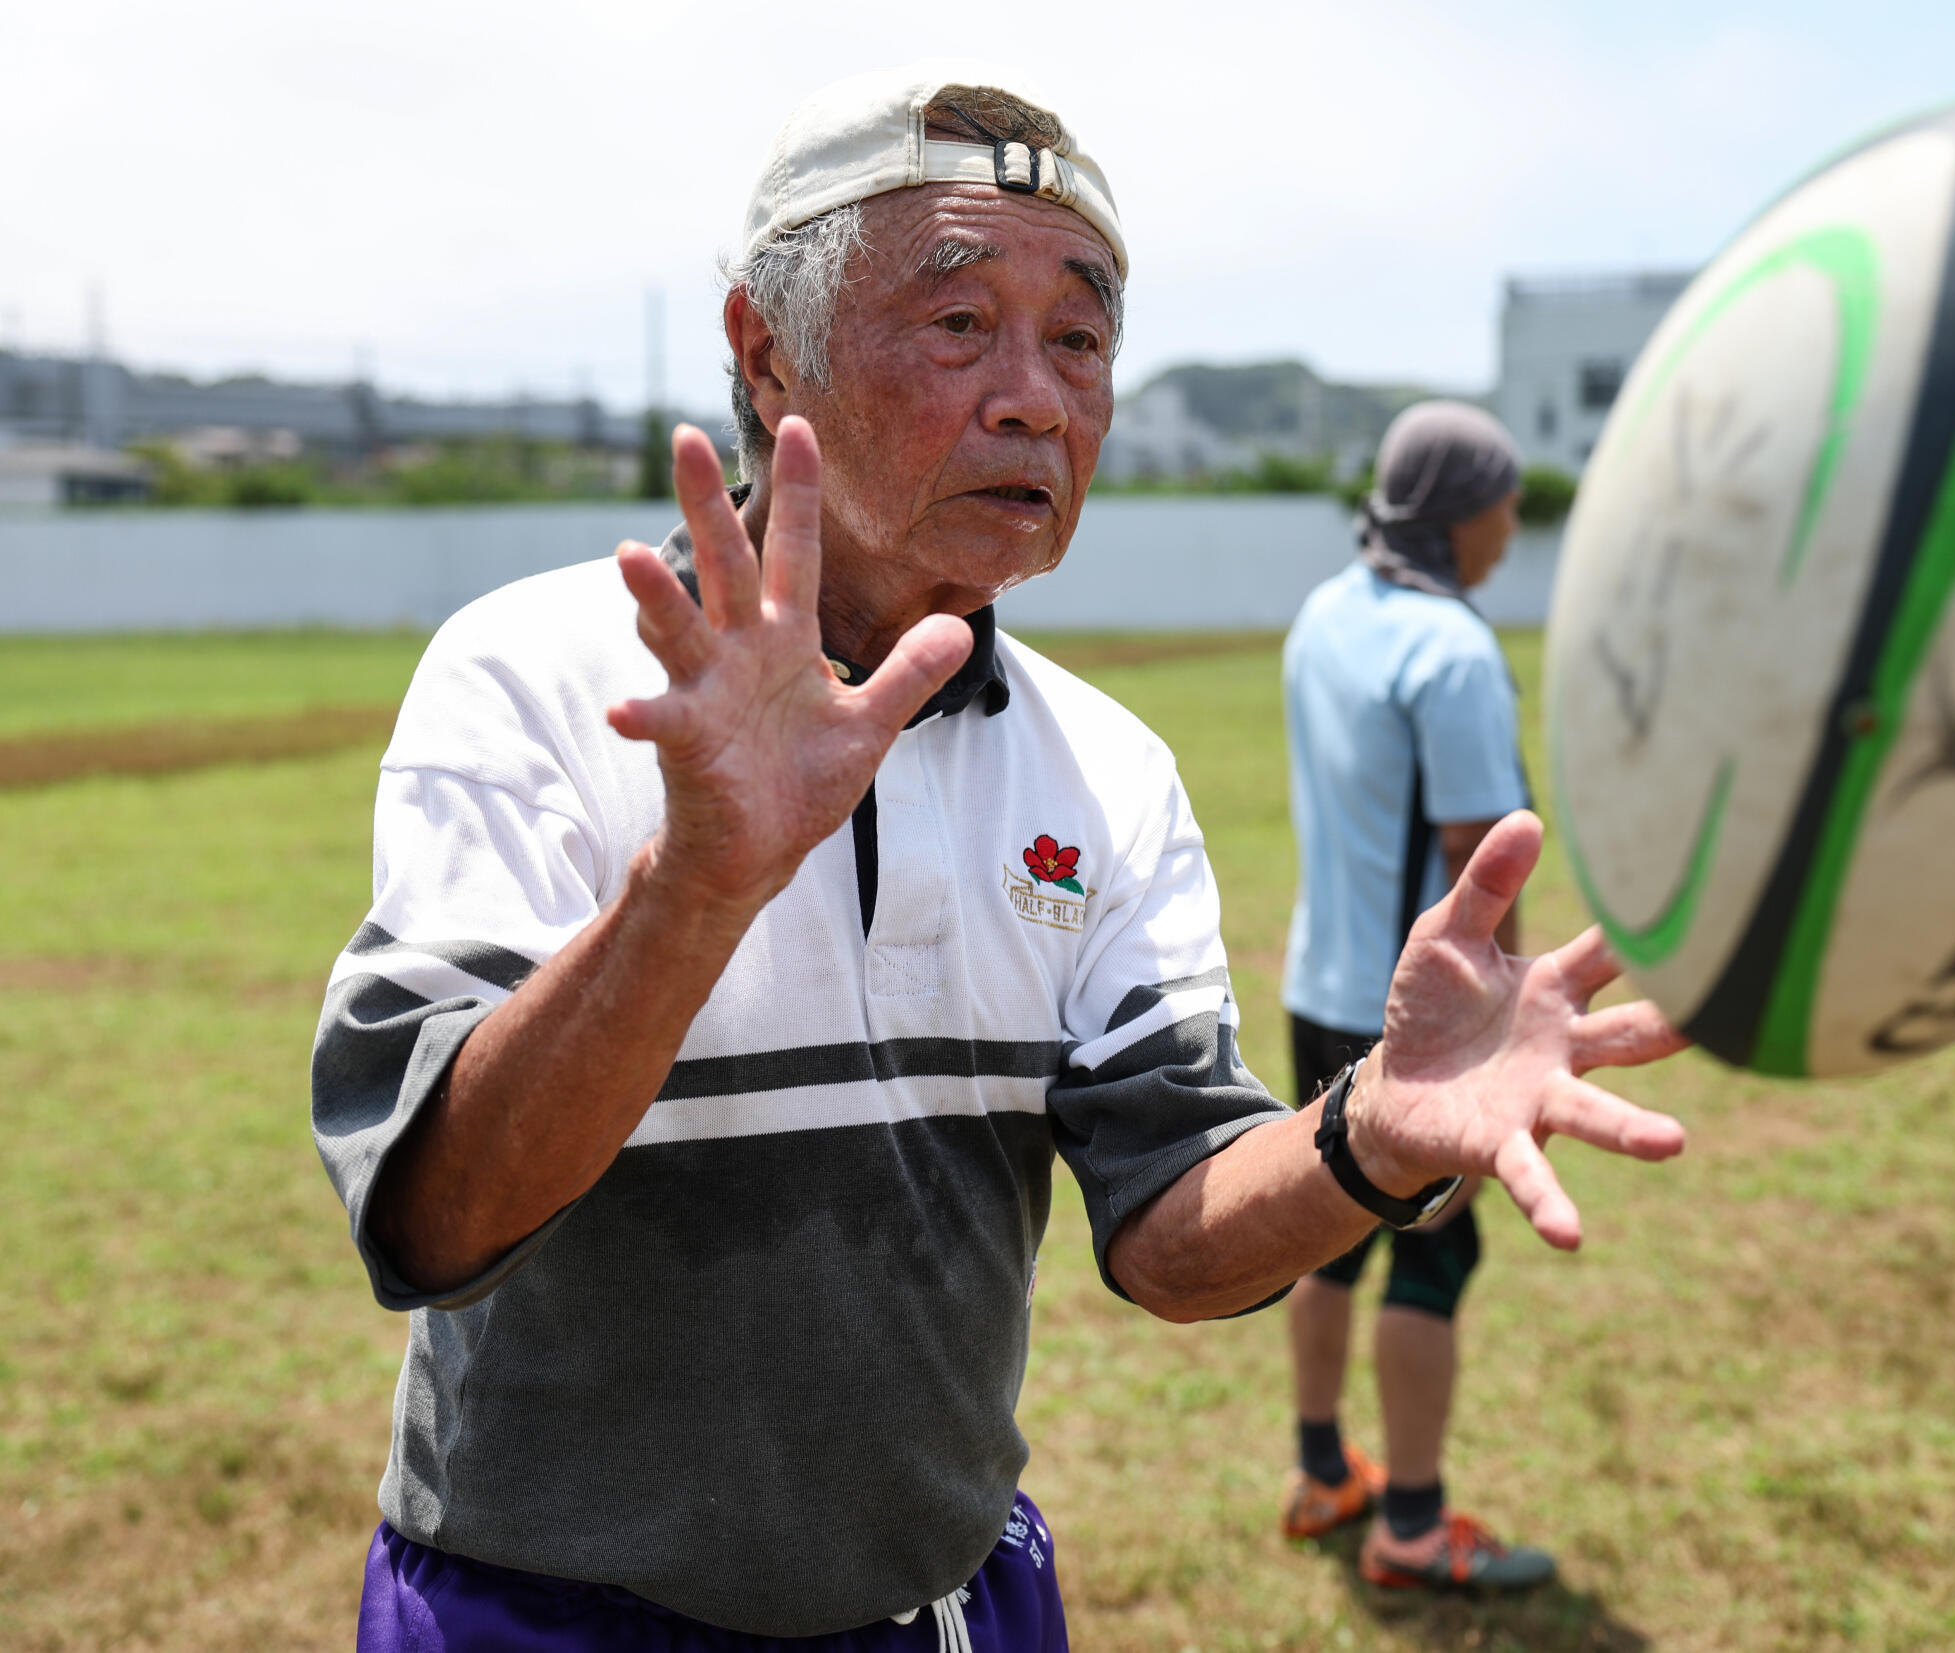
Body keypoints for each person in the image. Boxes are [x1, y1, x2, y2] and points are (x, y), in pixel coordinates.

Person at [314, 63, 1692, 1650]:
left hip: (943, 1605)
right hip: (541, 1613)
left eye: (1083, 338)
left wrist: (1373, 1127)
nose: (1037, 394)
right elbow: (432, 1217)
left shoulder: (1103, 769)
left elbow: (1172, 1231)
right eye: (959, 323)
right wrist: (691, 890)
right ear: (768, 353)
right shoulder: (541, 677)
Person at [1274, 403, 1552, 1590]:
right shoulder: (1451, 652)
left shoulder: (1324, 614)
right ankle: (1411, 1525)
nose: (1512, 525)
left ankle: (1320, 1469)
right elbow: (1479, 866)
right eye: (1504, 500)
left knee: (1325, 1236)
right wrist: (1506, 1042)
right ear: (1460, 513)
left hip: (1317, 984)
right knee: (1431, 1258)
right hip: (1420, 1020)